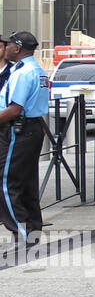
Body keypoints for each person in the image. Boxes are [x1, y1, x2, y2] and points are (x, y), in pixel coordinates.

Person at [0, 32, 50, 248]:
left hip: (19, 130)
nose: (6, 48)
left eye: (9, 45)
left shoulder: (23, 73)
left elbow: (14, 109)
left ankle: (21, 231)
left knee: (6, 183)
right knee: (26, 182)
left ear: (17, 48)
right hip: (32, 128)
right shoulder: (35, 70)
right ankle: (33, 230)